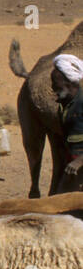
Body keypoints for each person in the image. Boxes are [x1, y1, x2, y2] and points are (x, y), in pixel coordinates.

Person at [52, 54, 83, 187]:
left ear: (68, 82)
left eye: (55, 82)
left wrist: (79, 161)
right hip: (72, 164)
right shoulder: (64, 105)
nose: (52, 87)